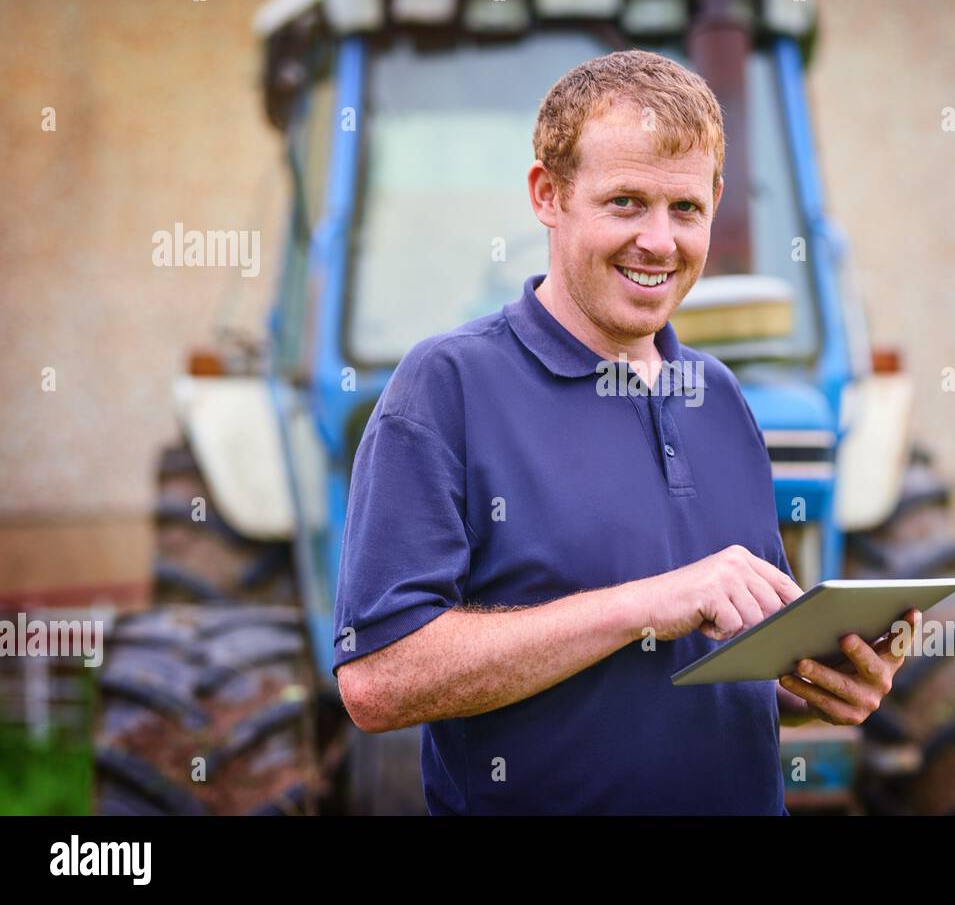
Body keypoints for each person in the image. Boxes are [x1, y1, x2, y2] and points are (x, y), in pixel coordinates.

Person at [333, 49, 918, 814]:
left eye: (685, 209)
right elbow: (377, 682)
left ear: (715, 201)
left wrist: (822, 681)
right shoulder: (447, 388)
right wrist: (646, 603)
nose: (659, 242)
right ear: (549, 194)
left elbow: (718, 679)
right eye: (625, 203)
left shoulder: (720, 396)